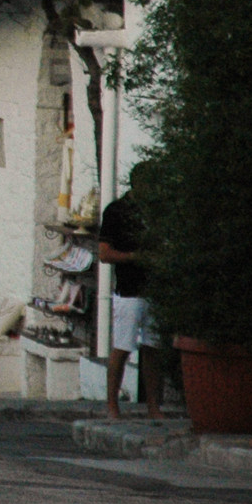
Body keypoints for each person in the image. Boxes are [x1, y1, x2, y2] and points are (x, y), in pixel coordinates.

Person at [99, 169, 163, 420]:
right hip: (128, 290)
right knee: (122, 348)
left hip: (153, 289)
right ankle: (112, 405)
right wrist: (136, 257)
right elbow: (104, 254)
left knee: (153, 349)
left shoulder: (155, 211)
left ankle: (153, 406)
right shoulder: (116, 211)